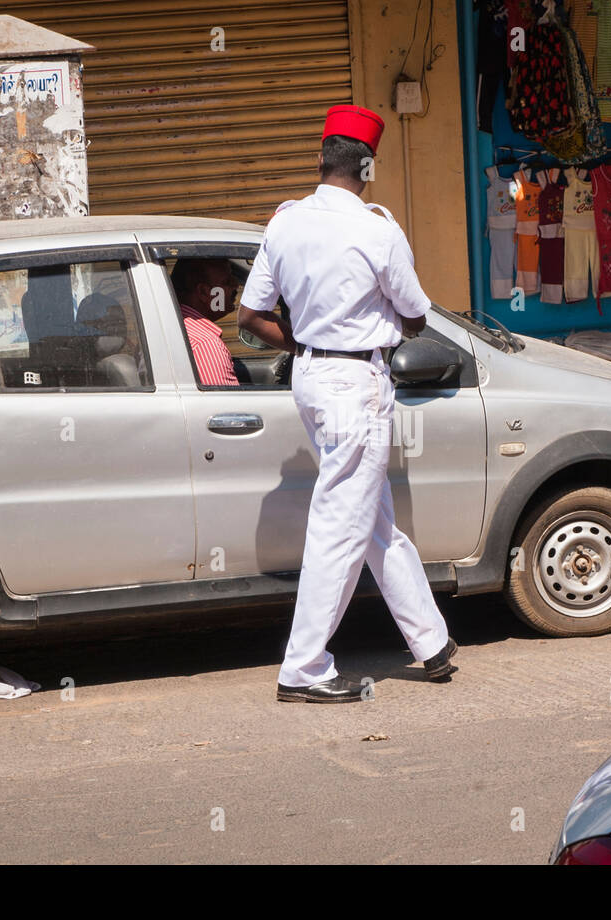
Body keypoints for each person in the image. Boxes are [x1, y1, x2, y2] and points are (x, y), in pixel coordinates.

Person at [237, 105, 458, 703]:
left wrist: (307, 342)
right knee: (342, 526)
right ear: (367, 168)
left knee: (371, 516)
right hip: (356, 384)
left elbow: (250, 318)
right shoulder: (378, 230)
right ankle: (303, 669)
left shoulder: (284, 224)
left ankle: (431, 642)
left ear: (320, 160)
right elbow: (415, 315)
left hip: (309, 378)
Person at [172, 258, 241, 387]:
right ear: (204, 292)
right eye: (227, 282)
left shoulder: (172, 326)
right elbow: (227, 405)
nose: (236, 285)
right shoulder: (205, 344)